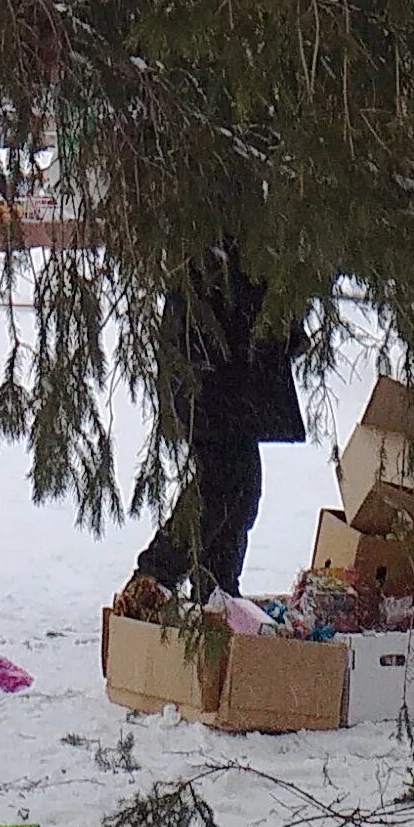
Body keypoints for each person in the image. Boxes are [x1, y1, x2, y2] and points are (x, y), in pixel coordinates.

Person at [133, 242, 308, 599]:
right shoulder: (220, 226)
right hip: (213, 364)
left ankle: (215, 593)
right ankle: (156, 579)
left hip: (227, 364)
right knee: (223, 483)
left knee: (239, 488)